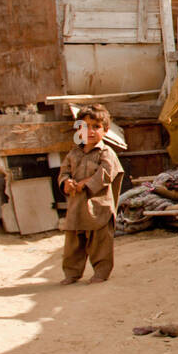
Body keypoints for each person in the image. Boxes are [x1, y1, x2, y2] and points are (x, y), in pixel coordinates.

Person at [57, 103, 123, 284]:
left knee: (100, 242)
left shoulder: (106, 153)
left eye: (96, 127)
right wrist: (66, 182)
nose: (91, 131)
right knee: (73, 243)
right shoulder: (73, 154)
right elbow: (63, 172)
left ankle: (101, 272)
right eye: (85, 127)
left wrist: (87, 183)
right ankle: (72, 273)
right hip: (76, 206)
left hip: (98, 207)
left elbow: (108, 173)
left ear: (106, 130)